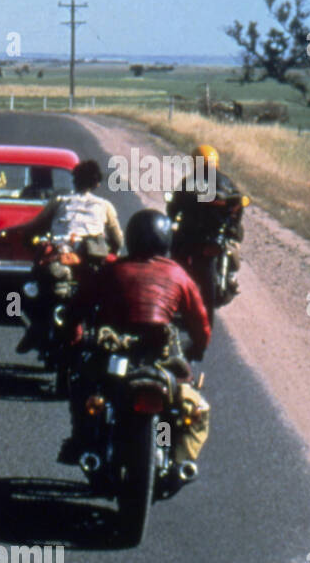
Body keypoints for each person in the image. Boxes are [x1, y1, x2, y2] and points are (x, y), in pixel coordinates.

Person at [62, 209, 211, 470]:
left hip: (115, 350)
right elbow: (201, 322)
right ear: (166, 241)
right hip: (160, 352)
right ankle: (179, 458)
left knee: (83, 386)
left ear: (131, 238)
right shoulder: (178, 274)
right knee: (186, 401)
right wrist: (197, 347)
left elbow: (77, 307)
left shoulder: (111, 271)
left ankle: (82, 440)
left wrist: (75, 336)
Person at [0, 159, 124, 354]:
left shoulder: (60, 201)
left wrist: (28, 241)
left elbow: (35, 226)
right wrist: (112, 252)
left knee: (32, 287)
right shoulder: (105, 206)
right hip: (91, 260)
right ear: (96, 183)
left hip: (59, 255)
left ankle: (36, 328)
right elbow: (117, 240)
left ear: (74, 180)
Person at [166, 143, 244, 290]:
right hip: (216, 232)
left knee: (175, 249)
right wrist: (233, 225)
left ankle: (174, 281)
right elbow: (238, 205)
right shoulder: (228, 182)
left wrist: (174, 216)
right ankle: (231, 276)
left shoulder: (189, 181)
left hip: (193, 232)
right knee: (234, 240)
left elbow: (174, 206)